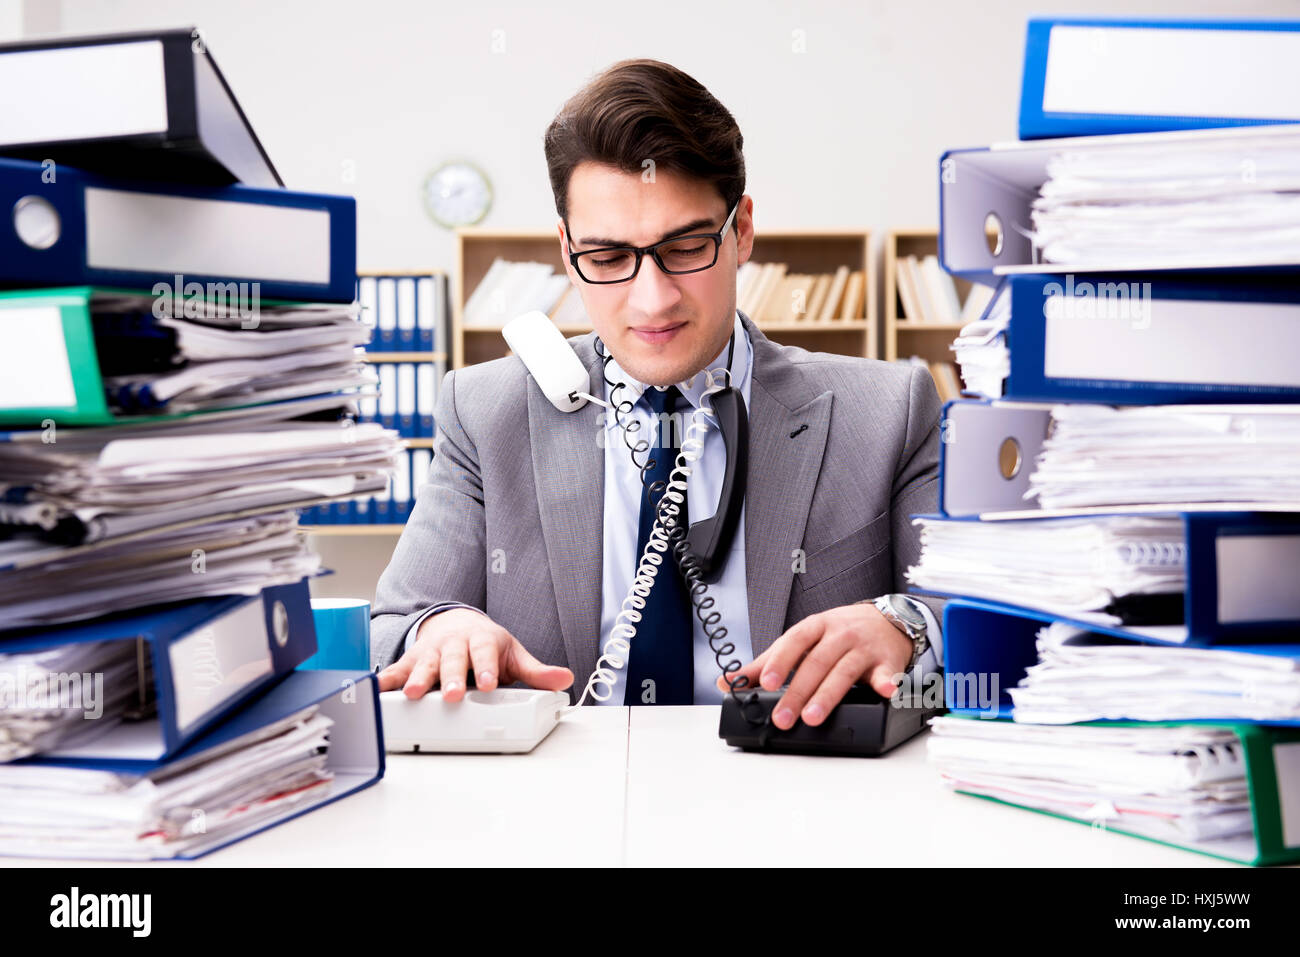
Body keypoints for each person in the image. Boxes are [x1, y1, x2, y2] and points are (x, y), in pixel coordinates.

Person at [372, 58, 944, 730]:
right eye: (609, 258)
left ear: (743, 231)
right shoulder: (483, 412)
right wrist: (441, 630)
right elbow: (396, 624)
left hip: (796, 799)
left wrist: (908, 628)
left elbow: (988, 614)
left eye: (686, 246)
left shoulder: (890, 411)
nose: (653, 299)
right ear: (567, 253)